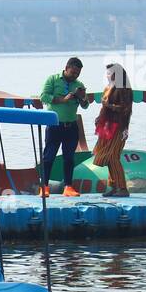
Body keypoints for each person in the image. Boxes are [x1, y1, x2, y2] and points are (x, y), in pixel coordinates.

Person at [38, 57, 91, 197]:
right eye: (73, 72)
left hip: (71, 126)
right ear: (66, 68)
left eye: (77, 74)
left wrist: (82, 97)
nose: (75, 76)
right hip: (54, 125)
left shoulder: (79, 84)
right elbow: (43, 97)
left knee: (69, 157)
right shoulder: (53, 80)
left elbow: (85, 106)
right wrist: (63, 99)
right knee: (49, 156)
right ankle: (44, 186)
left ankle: (68, 186)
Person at [93, 63, 135, 197]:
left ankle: (122, 188)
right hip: (107, 126)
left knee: (112, 156)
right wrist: (99, 117)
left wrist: (109, 105)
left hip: (119, 127)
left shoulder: (125, 89)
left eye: (111, 73)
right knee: (108, 157)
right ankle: (115, 186)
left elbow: (125, 109)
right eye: (107, 73)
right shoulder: (108, 88)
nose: (108, 75)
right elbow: (104, 107)